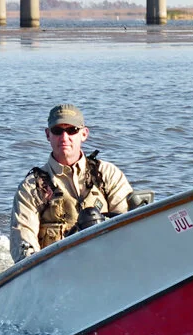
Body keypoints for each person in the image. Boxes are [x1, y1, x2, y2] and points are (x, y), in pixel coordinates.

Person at [9, 103, 133, 262]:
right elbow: (23, 244)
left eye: (72, 130)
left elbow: (128, 225)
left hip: (109, 261)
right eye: (57, 131)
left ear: (84, 134)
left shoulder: (107, 174)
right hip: (58, 273)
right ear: (48, 135)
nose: (64, 137)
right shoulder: (32, 187)